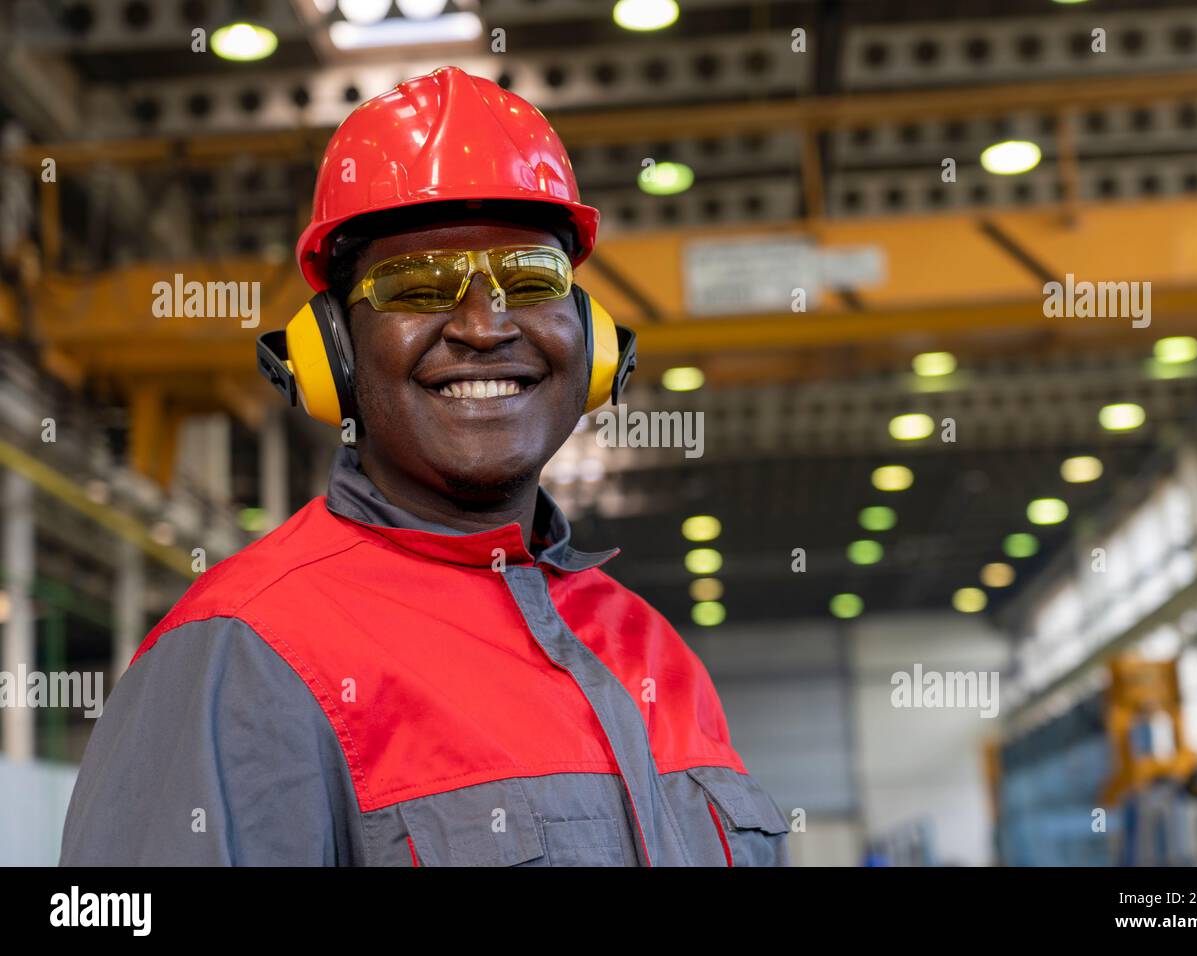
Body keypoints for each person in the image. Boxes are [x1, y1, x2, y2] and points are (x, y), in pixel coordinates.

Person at [59, 66, 791, 867]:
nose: (484, 327)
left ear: (591, 340)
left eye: (530, 278)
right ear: (330, 352)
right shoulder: (242, 659)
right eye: (415, 285)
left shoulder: (653, 654)